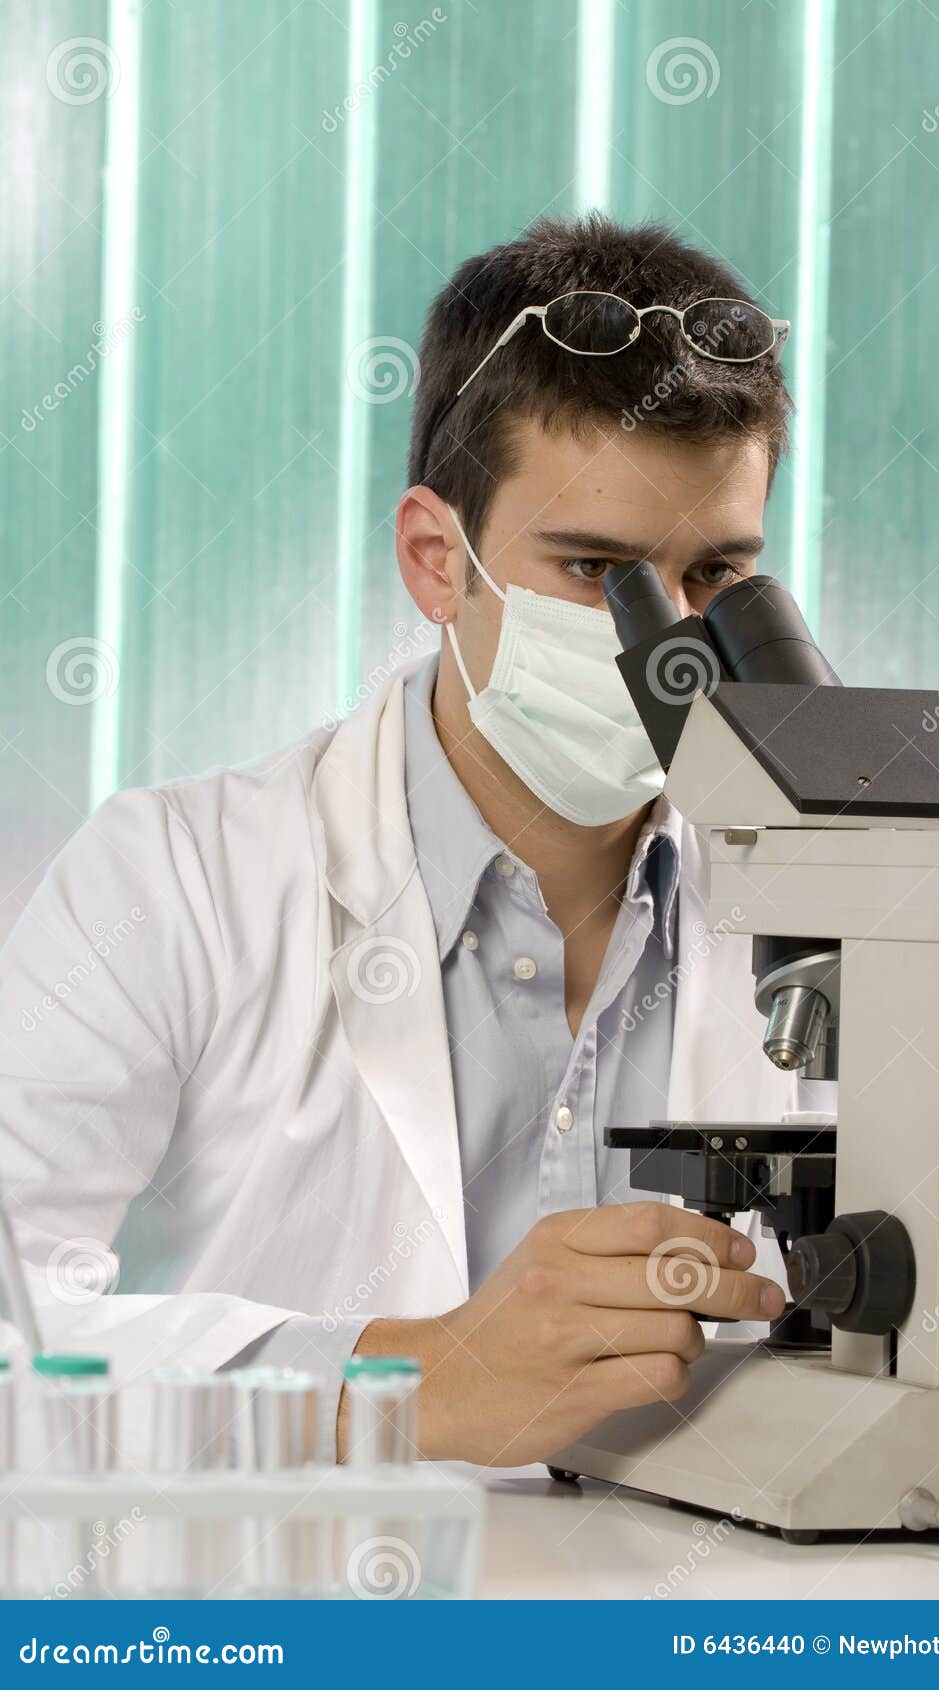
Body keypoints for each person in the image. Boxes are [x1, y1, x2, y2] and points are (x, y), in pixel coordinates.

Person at [0, 214, 802, 1467]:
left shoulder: (838, 905)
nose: (670, 641)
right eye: (597, 570)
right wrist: (397, 1386)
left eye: (715, 577)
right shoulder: (170, 882)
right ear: (438, 558)